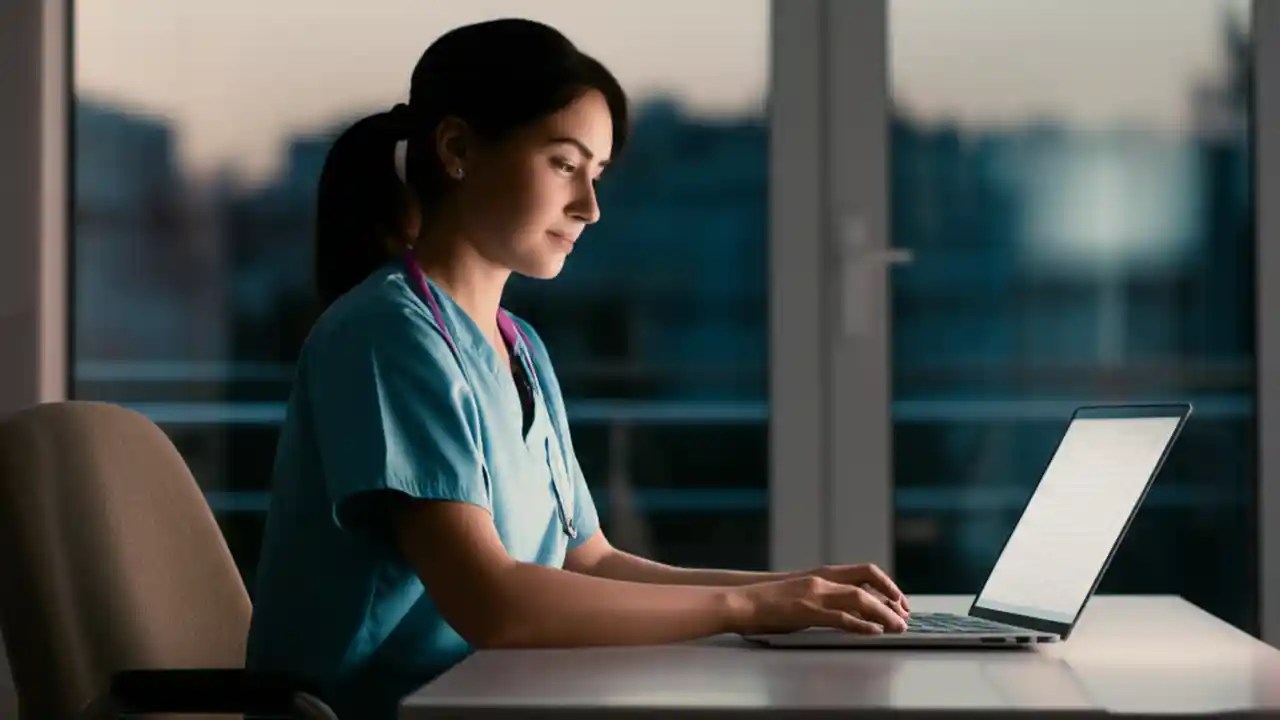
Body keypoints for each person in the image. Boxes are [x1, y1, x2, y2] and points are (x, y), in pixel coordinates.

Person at [245, 17, 911, 718]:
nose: (589, 208)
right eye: (564, 164)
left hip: (500, 699)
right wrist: (744, 606)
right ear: (459, 149)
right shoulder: (386, 335)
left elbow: (590, 561)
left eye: (596, 175)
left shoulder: (520, 347)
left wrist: (794, 592)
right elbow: (493, 603)